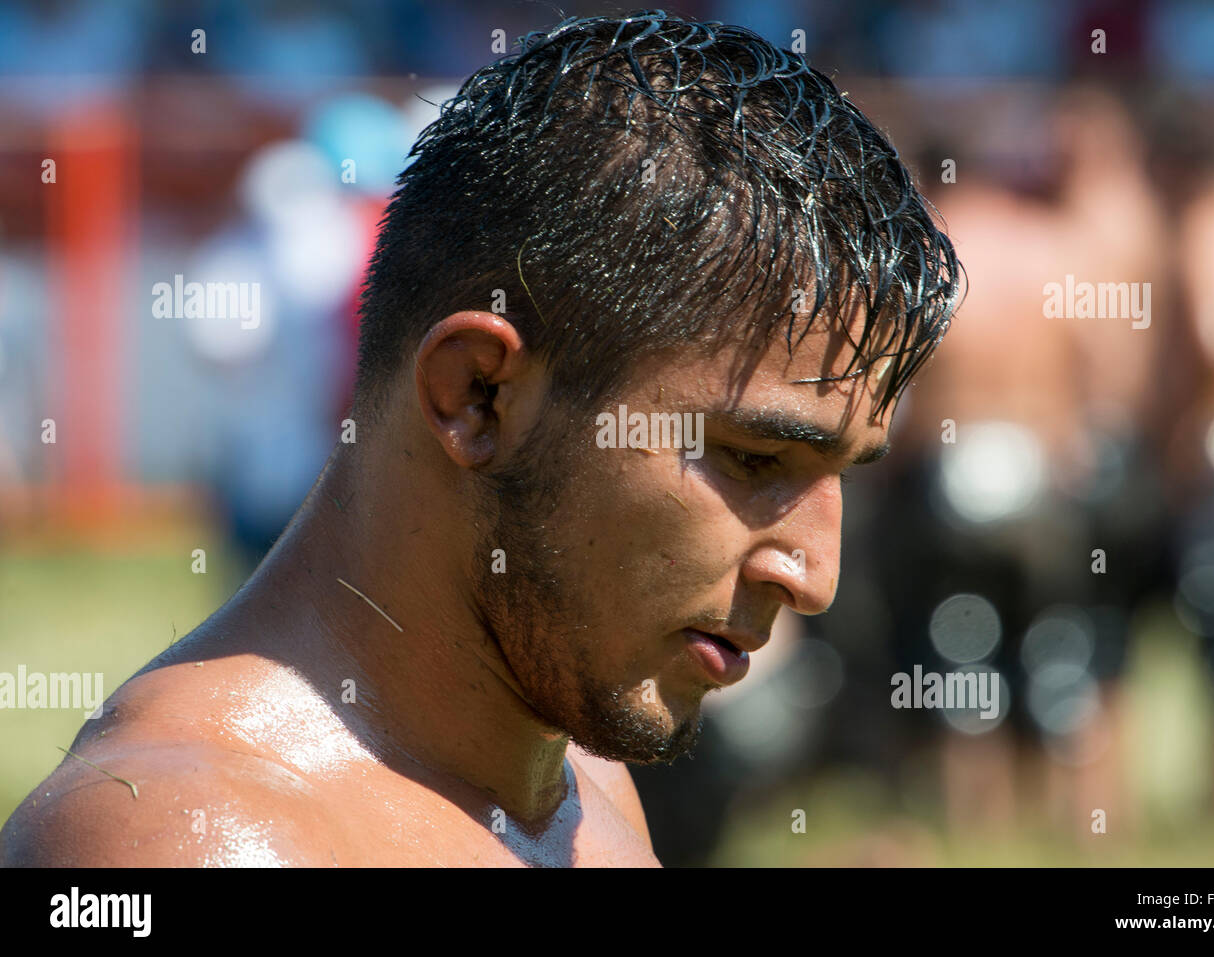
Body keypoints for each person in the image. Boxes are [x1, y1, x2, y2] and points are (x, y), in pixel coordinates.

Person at [0, 10, 959, 867]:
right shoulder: (180, 840)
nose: (816, 573)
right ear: (478, 395)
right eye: (756, 459)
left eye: (842, 474)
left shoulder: (583, 784)